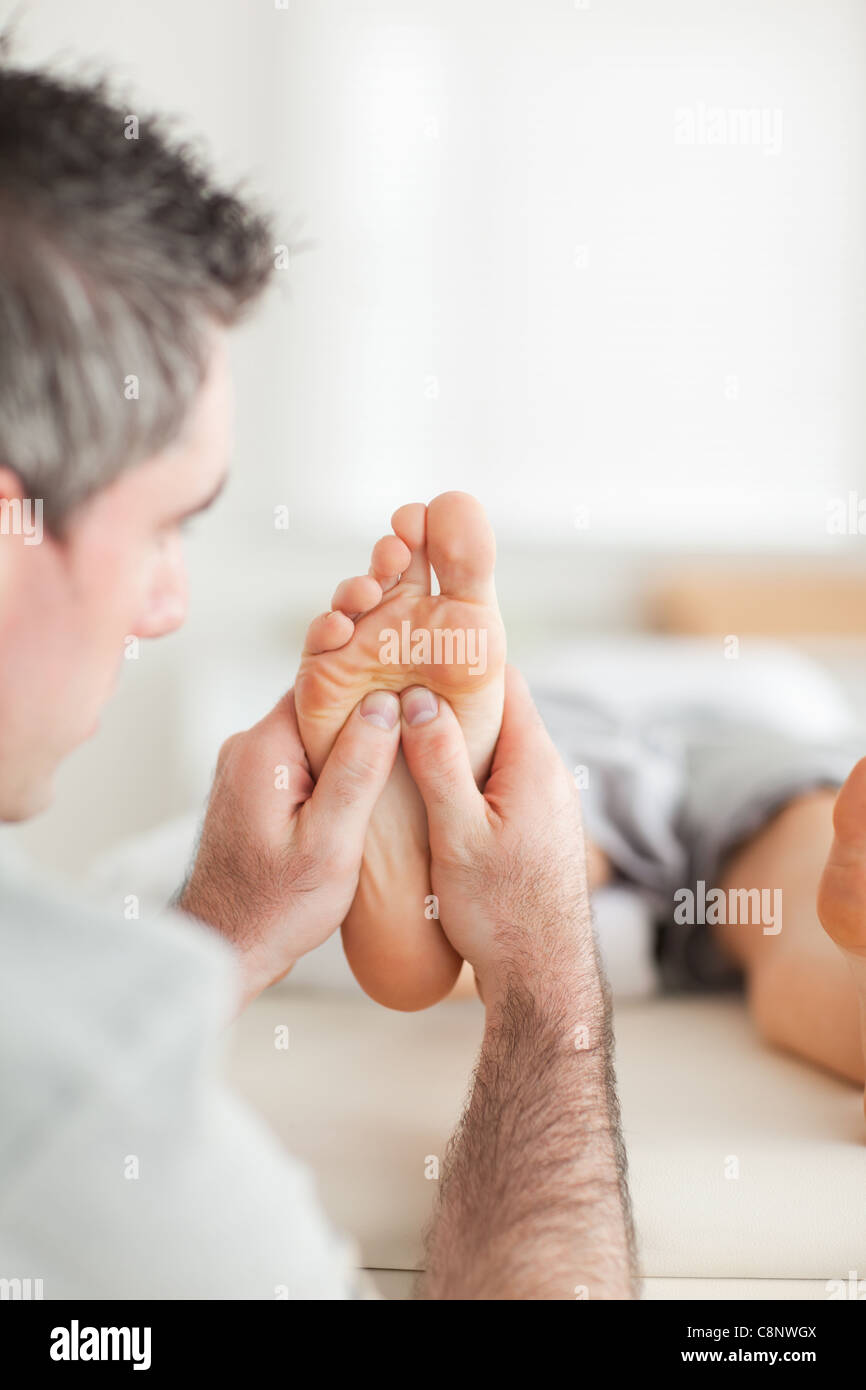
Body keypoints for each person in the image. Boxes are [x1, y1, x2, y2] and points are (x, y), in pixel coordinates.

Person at [0, 57, 635, 1299]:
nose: (169, 605)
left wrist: (219, 935)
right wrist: (545, 985)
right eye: (167, 527)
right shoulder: (61, 1063)